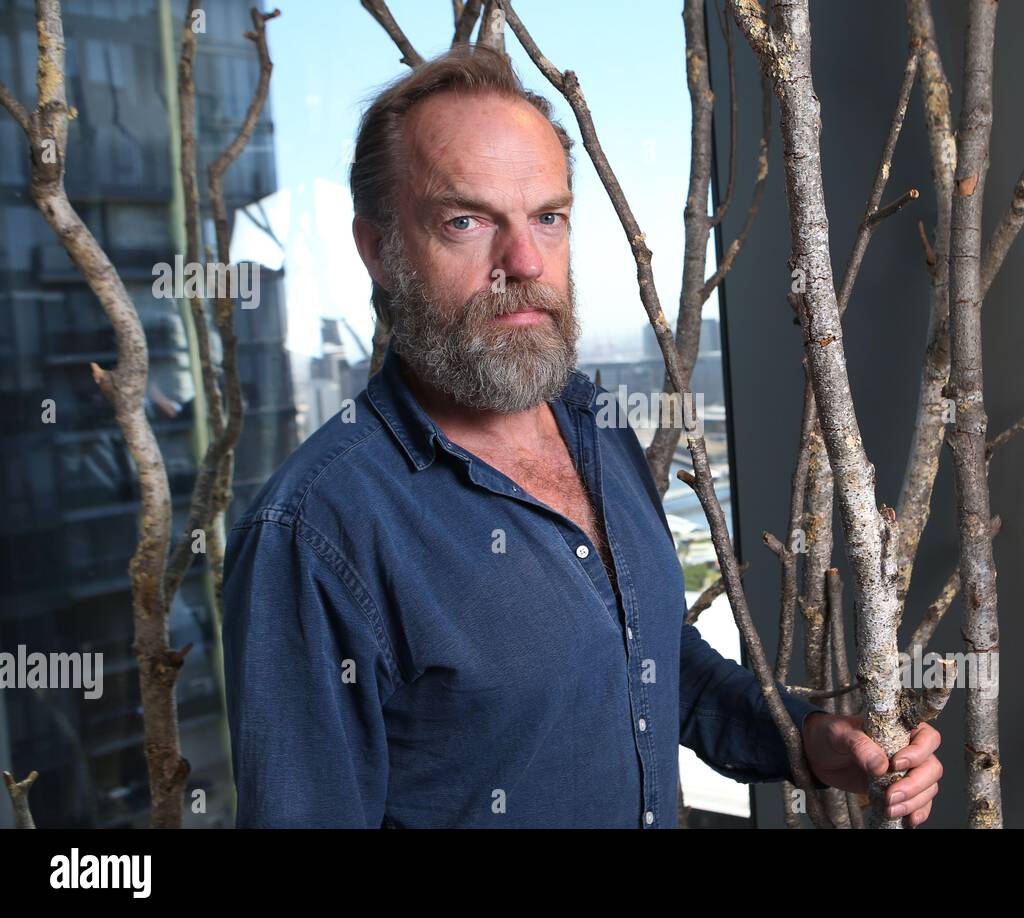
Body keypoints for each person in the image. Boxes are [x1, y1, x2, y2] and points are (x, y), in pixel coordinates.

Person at [221, 43, 941, 828]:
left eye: (548, 218)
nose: (525, 261)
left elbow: (655, 664)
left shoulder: (593, 425)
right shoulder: (315, 532)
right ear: (379, 251)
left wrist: (806, 740)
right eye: (466, 221)